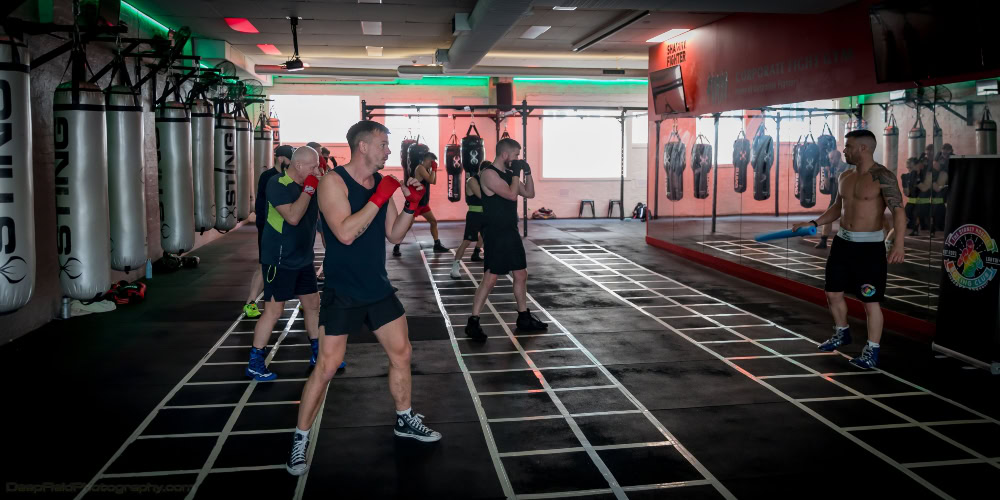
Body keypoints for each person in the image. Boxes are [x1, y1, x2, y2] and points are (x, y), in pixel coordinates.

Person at [286, 120, 439, 477]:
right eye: (383, 143)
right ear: (363, 146)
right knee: (326, 367)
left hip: (377, 287)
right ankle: (300, 437)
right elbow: (345, 233)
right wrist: (381, 196)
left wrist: (412, 206)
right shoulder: (332, 182)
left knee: (402, 353)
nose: (389, 150)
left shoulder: (375, 185)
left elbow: (393, 234)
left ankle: (404, 418)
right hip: (344, 290)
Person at [792, 129, 906, 370]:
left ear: (863, 148)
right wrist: (813, 223)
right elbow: (836, 208)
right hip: (843, 244)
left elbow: (898, 211)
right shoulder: (845, 175)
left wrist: (899, 243)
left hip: (869, 249)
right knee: (833, 293)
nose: (844, 150)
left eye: (848, 146)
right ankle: (842, 332)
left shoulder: (883, 177)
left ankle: (872, 351)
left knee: (870, 301)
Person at [246, 147, 324, 381]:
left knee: (312, 304)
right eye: (313, 167)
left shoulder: (310, 185)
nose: (317, 170)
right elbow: (292, 216)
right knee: (274, 311)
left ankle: (318, 353)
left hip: (303, 257)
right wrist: (310, 189)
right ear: (299, 166)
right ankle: (255, 361)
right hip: (279, 259)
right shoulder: (276, 184)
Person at [465, 138, 547, 340]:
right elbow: (511, 195)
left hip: (510, 231)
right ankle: (473, 322)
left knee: (521, 274)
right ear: (505, 155)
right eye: (516, 156)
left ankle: (523, 317)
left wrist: (527, 172)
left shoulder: (510, 175)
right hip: (495, 233)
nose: (517, 159)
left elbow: (529, 192)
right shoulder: (489, 174)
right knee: (491, 278)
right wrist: (517, 174)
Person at [243, 145, 295, 318]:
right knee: (264, 265)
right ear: (281, 159)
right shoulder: (269, 177)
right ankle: (251, 303)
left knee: (296, 263)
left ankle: (307, 300)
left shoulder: (288, 176)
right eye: (290, 159)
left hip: (287, 228)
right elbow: (264, 207)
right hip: (269, 229)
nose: (292, 163)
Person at [392, 152, 448, 255]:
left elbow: (434, 181)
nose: (433, 163)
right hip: (415, 204)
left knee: (433, 222)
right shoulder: (420, 168)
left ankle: (436, 244)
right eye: (432, 161)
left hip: (423, 204)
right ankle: (397, 245)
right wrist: (434, 169)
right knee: (407, 226)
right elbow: (431, 180)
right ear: (428, 160)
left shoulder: (426, 169)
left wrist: (433, 169)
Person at [450, 163, 485, 279]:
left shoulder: (488, 180)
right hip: (474, 214)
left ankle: (476, 253)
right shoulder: (472, 180)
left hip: (486, 213)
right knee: (467, 241)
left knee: (487, 236)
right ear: (482, 170)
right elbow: (482, 196)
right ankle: (455, 267)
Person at [815, 150, 849, 249]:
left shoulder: (846, 167)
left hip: (846, 198)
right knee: (827, 218)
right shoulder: (832, 168)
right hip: (834, 198)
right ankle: (823, 240)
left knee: (846, 220)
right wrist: (826, 174)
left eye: (831, 158)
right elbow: (827, 187)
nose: (829, 161)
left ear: (837, 157)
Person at [900, 158, 921, 235]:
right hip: (911, 202)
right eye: (908, 167)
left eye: (911, 167)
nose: (909, 169)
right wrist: (906, 184)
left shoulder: (923, 176)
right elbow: (906, 193)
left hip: (922, 203)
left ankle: (916, 230)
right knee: (903, 221)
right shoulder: (906, 176)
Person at [929, 157, 948, 237]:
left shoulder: (944, 171)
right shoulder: (932, 173)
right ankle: (932, 231)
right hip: (934, 199)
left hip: (943, 199)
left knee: (943, 216)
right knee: (933, 216)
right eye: (937, 162)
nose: (938, 164)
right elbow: (936, 188)